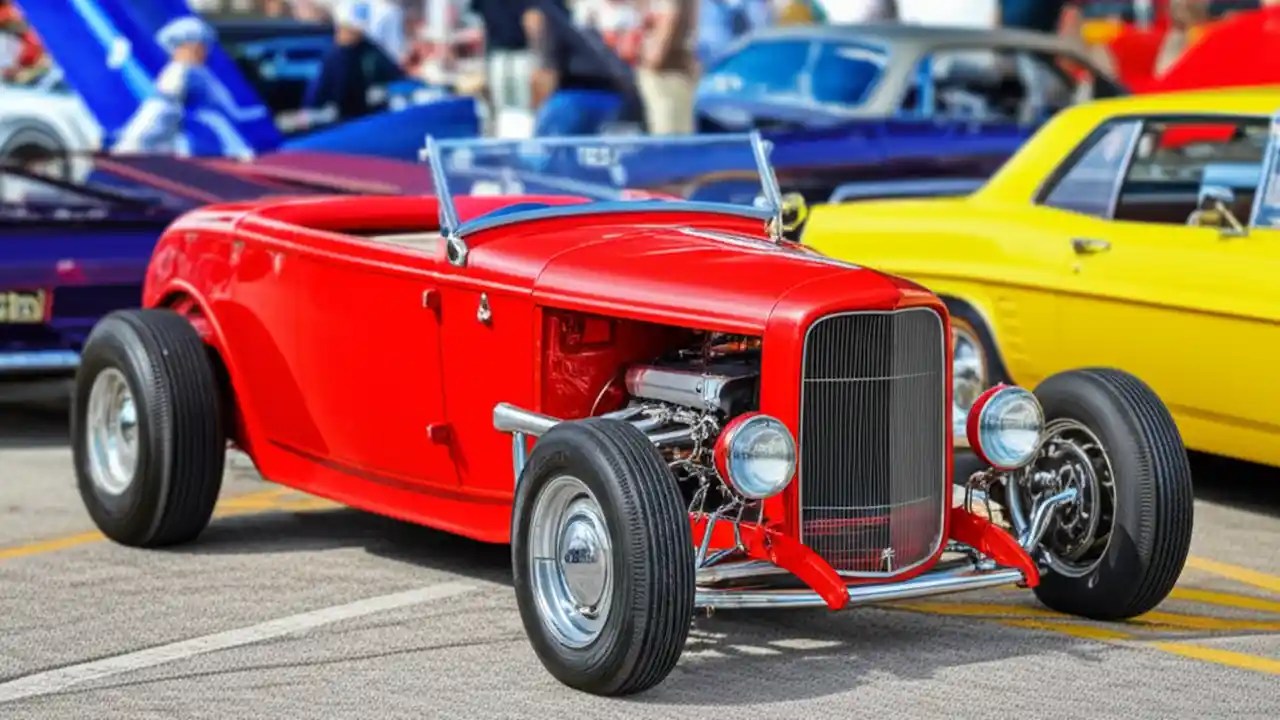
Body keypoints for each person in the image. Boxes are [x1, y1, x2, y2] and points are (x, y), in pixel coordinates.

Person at [113, 16, 251, 156]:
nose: (204, 51)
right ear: (182, 47)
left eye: (204, 46)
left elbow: (228, 108)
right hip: (197, 148)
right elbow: (159, 110)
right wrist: (131, 145)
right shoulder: (179, 73)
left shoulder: (199, 73)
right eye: (199, 45)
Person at [529, 0, 639, 136]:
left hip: (575, 99)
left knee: (546, 147)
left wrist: (536, 109)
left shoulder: (550, 15)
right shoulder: (583, 14)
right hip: (619, 97)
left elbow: (547, 72)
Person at [306, 1, 380, 121]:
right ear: (341, 28)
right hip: (339, 124)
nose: (358, 36)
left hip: (361, 120)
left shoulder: (364, 51)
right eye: (352, 31)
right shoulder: (334, 58)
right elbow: (321, 98)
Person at [472, 0, 535, 131]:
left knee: (523, 106)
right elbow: (477, 19)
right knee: (501, 107)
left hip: (522, 52)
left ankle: (522, 143)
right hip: (498, 54)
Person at [639, 0, 698, 135]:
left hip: (664, 76)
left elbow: (669, 13)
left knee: (668, 139)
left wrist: (652, 53)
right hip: (680, 72)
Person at [696, 0, 772, 66]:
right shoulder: (708, 8)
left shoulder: (754, 4)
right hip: (725, 71)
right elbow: (709, 48)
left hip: (761, 68)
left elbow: (766, 35)